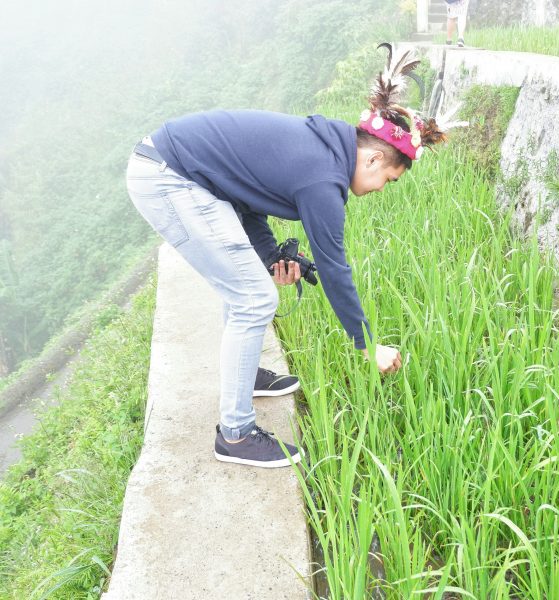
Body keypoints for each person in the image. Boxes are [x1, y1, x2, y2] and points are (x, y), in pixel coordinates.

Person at [125, 44, 452, 468]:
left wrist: (268, 255)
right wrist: (367, 345)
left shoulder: (324, 146)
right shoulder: (323, 178)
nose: (380, 190)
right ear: (373, 158)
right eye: (387, 179)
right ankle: (236, 436)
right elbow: (335, 268)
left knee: (246, 286)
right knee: (253, 298)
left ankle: (244, 375)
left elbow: (245, 194)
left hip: (183, 171)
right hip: (169, 178)